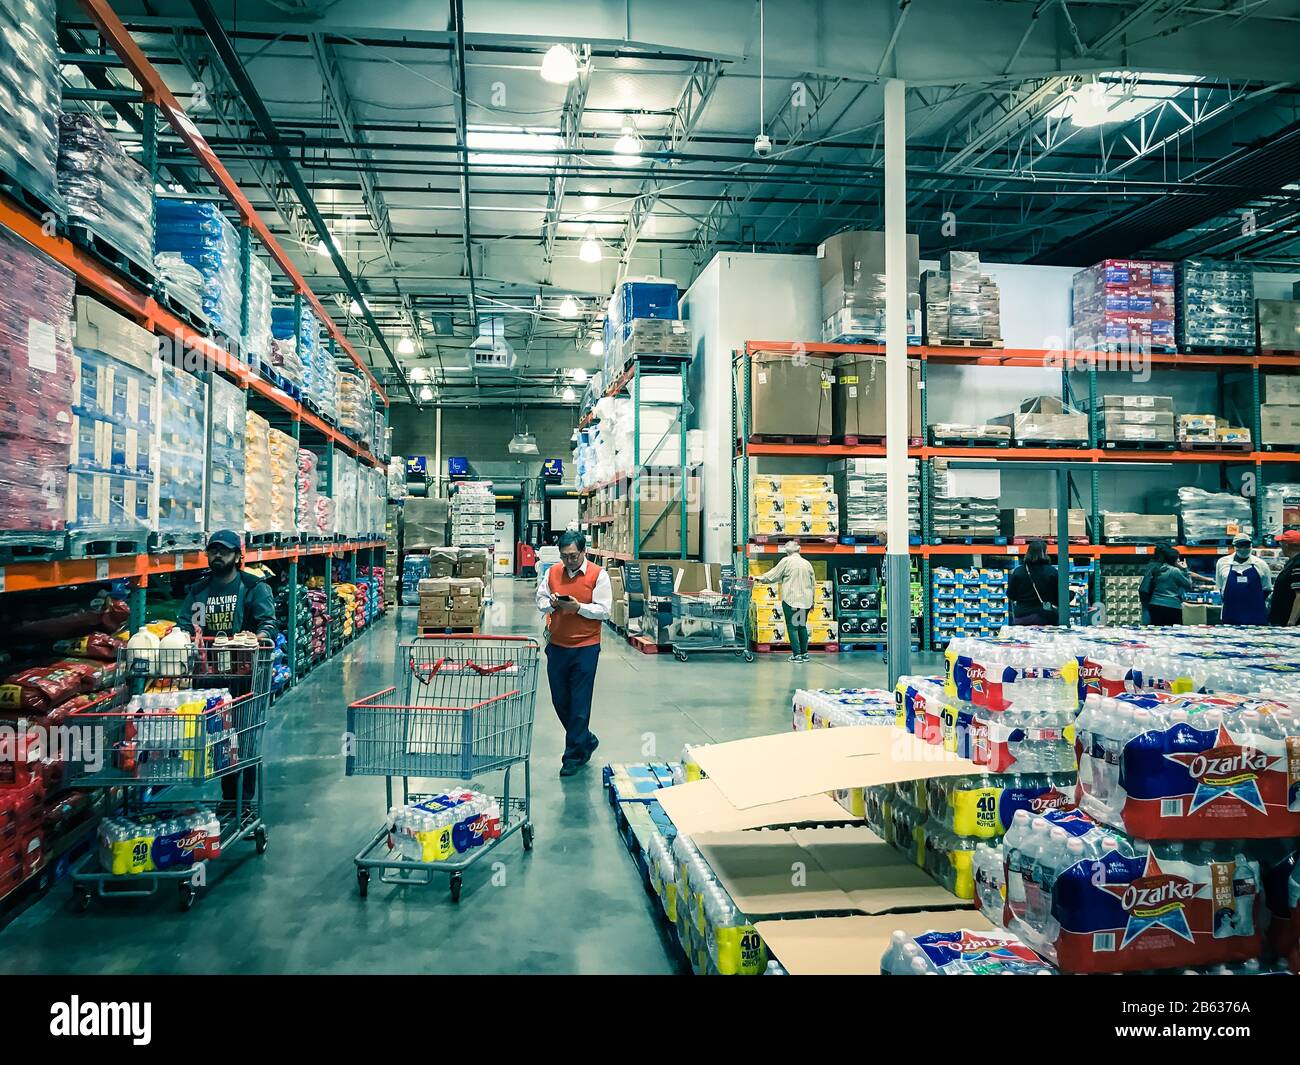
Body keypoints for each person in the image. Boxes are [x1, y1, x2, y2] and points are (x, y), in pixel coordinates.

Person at [177, 529, 278, 804]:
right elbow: (188, 624)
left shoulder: (253, 587)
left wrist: (259, 638)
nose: (217, 555)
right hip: (209, 679)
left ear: (237, 555)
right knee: (220, 740)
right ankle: (229, 800)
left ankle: (242, 803)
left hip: (244, 677)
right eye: (213, 550)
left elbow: (267, 621)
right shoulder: (199, 592)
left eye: (224, 551)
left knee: (244, 740)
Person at [536, 530, 611, 777]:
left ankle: (573, 756)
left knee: (579, 702)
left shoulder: (598, 575)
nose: (568, 561)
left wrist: (578, 608)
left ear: (583, 552)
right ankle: (585, 739)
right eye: (564, 556)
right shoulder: (552, 573)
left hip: (585, 647)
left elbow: (604, 611)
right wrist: (554, 604)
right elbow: (540, 600)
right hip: (557, 645)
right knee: (561, 700)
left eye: (573, 556)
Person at [752, 539, 817, 661]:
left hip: (792, 600)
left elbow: (772, 576)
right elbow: (813, 584)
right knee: (801, 625)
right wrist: (813, 601)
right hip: (805, 601)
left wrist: (757, 578)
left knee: (792, 627)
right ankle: (804, 654)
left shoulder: (786, 561)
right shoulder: (807, 563)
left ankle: (796, 655)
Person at [1139, 543, 1215, 625]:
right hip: (1170, 604)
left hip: (1154, 602)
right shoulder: (1173, 570)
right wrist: (1185, 569)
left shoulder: (1155, 566)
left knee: (1155, 628)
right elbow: (1188, 583)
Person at [1215, 534, 1273, 626]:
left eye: (1246, 545)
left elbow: (1267, 588)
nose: (1243, 548)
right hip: (1231, 614)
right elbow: (1220, 587)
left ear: (1251, 546)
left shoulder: (1261, 564)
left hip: (1256, 615)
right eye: (1240, 545)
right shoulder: (1222, 563)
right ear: (1234, 546)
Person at [1006, 540, 1060, 626]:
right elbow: (1057, 597)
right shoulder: (1051, 571)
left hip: (1021, 617)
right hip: (1043, 617)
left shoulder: (1018, 571)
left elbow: (1010, 594)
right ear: (1045, 553)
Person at [1267, 530, 1300, 626]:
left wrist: (1292, 621)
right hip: (1281, 620)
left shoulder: (1298, 564)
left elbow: (1299, 595)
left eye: (1281, 543)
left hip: (1288, 622)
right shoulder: (1292, 562)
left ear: (1287, 545)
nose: (1280, 546)